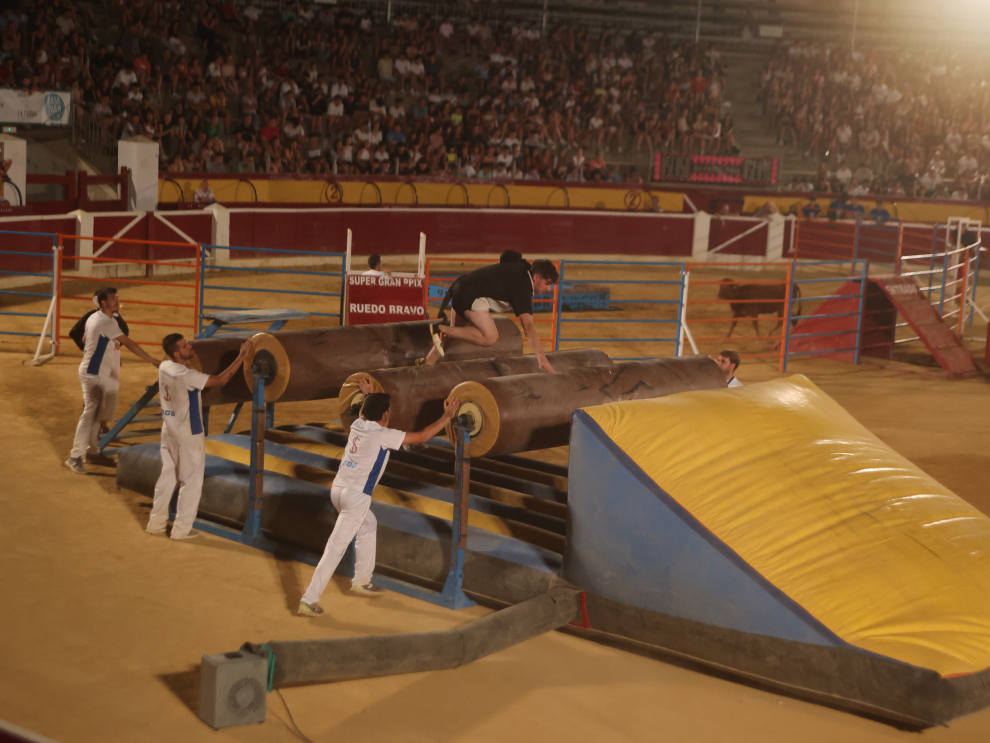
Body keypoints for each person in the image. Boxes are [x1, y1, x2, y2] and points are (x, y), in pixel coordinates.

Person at [298, 378, 461, 615]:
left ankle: (362, 580)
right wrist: (447, 416)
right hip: (356, 499)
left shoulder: (357, 425)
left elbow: (367, 412)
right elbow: (424, 436)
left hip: (337, 491)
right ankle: (309, 599)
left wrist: (368, 394)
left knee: (368, 525)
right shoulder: (383, 434)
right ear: (385, 414)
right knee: (335, 548)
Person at [146, 334, 252, 540]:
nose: (190, 345)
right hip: (188, 432)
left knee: (167, 476)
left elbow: (161, 362)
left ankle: (155, 523)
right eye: (185, 345)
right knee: (191, 481)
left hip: (169, 429)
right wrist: (241, 357)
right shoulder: (186, 376)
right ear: (177, 353)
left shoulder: (165, 367)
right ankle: (181, 530)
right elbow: (221, 380)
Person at [65, 288, 161, 474]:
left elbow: (85, 338)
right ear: (102, 303)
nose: (116, 300)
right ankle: (75, 456)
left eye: (116, 297)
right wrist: (151, 359)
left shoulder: (98, 318)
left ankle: (92, 450)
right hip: (93, 374)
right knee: (89, 414)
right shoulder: (103, 321)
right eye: (112, 298)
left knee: (97, 413)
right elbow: (130, 343)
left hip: (98, 372)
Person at [426, 256, 559, 373]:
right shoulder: (522, 289)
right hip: (472, 296)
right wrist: (541, 357)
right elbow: (528, 327)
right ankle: (441, 329)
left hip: (460, 286)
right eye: (548, 283)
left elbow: (507, 255)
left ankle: (427, 363)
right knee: (490, 337)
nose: (549, 288)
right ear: (536, 277)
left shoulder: (523, 265)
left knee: (455, 332)